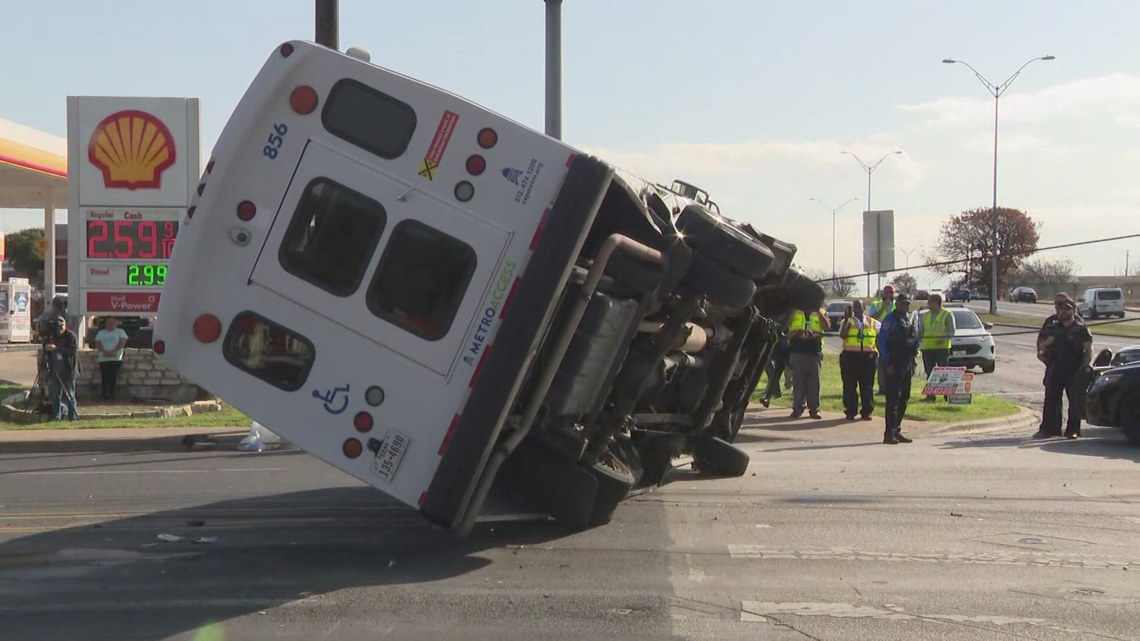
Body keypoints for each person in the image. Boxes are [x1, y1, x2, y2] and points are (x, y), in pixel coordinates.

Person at [1034, 296, 1093, 439]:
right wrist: (1046, 349)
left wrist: (1084, 368)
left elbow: (1088, 350)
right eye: (1061, 308)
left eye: (1067, 308)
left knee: (1074, 401)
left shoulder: (1081, 329)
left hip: (1074, 369)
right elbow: (1041, 348)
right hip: (1056, 368)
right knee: (1051, 400)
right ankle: (1048, 429)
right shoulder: (1052, 327)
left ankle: (1072, 430)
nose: (1063, 311)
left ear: (1073, 310)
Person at [876, 291, 919, 444]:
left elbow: (914, 340)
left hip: (906, 363)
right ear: (897, 304)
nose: (906, 306)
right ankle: (889, 434)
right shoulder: (890, 319)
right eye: (903, 303)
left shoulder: (908, 319)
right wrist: (887, 362)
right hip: (894, 363)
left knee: (904, 398)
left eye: (908, 303)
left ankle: (897, 429)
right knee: (893, 399)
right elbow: (881, 341)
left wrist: (913, 360)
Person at [838, 299, 880, 421]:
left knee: (867, 386)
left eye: (859, 307)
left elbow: (882, 334)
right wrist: (846, 319)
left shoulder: (872, 322)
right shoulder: (846, 321)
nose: (857, 310)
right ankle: (850, 411)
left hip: (868, 357)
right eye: (854, 307)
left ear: (863, 308)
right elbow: (843, 335)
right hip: (850, 357)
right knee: (849, 386)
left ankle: (867, 411)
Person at [787, 304, 827, 419]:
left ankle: (814, 410)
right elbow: (786, 324)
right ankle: (797, 408)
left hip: (814, 352)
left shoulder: (820, 311)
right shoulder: (795, 310)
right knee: (798, 382)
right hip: (797, 351)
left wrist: (819, 312)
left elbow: (826, 326)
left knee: (814, 384)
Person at [917, 293, 957, 401]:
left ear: (936, 303)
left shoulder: (947, 314)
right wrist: (916, 342)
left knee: (944, 372)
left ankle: (947, 395)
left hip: (942, 349)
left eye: (930, 302)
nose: (928, 304)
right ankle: (931, 395)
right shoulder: (925, 315)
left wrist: (943, 340)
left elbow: (951, 331)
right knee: (929, 372)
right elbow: (921, 331)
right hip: (927, 348)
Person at [43, 316, 79, 421]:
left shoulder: (71, 336)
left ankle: (73, 418)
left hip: (69, 370)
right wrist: (46, 346)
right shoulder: (52, 336)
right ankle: (56, 417)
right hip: (55, 370)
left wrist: (57, 348)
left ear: (65, 326)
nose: (58, 329)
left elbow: (73, 351)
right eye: (56, 327)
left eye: (60, 327)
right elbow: (45, 345)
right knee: (55, 396)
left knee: (70, 395)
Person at [868, 285, 896, 394]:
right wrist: (883, 308)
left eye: (891, 292)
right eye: (887, 292)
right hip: (879, 337)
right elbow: (871, 319)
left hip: (893, 338)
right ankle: (882, 388)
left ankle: (892, 387)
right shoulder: (876, 304)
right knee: (881, 363)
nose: (889, 294)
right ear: (883, 293)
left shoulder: (896, 306)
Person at [94, 317, 129, 402]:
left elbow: (122, 342)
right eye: (108, 323)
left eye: (112, 323)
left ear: (115, 324)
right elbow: (97, 344)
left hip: (116, 358)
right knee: (104, 378)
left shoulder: (120, 332)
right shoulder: (101, 333)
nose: (110, 325)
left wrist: (113, 351)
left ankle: (112, 396)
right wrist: (105, 352)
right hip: (103, 359)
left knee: (113, 377)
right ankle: (104, 396)